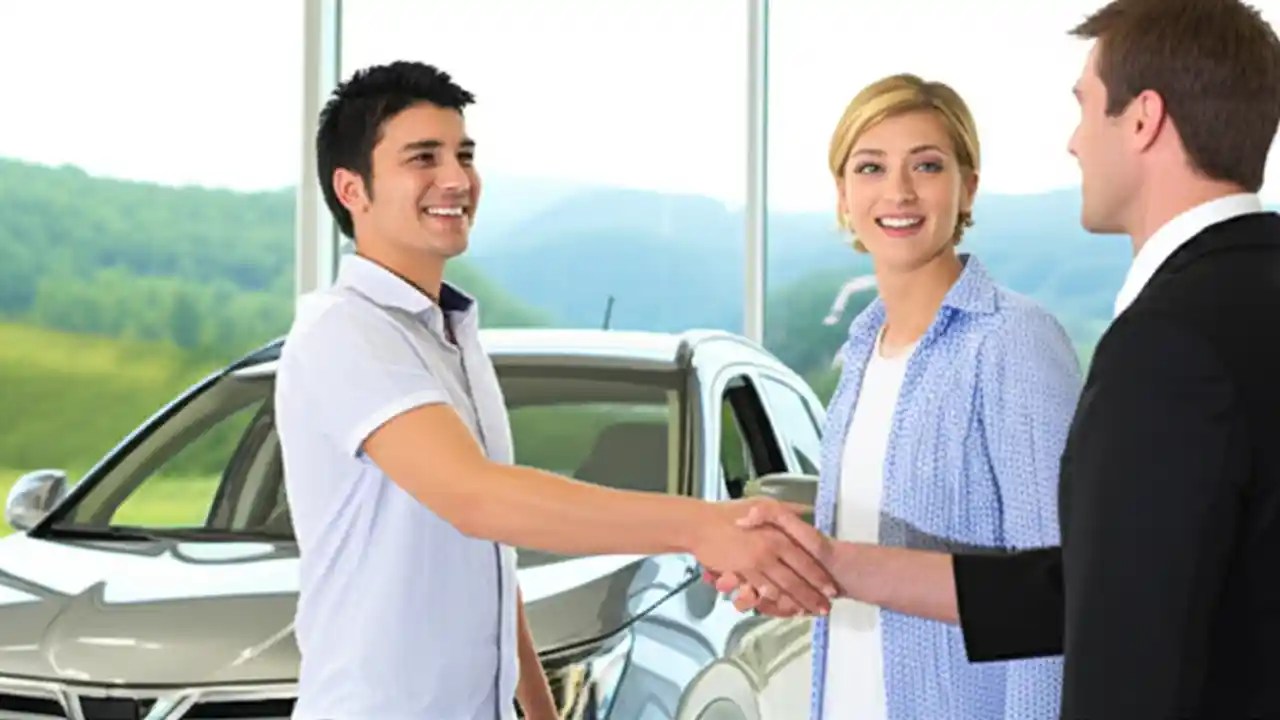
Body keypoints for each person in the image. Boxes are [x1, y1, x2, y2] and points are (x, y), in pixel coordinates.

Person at [722, 0, 1280, 718]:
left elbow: (1084, 618)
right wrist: (824, 562)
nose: (1074, 142)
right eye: (869, 167)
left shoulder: (1139, 341)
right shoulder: (859, 350)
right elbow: (1075, 588)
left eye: (1085, 107)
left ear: (1142, 120)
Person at [274, 61, 838, 720]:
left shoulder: (450, 337)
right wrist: (700, 524)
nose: (456, 179)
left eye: (464, 154)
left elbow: (487, 554)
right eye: (422, 158)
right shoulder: (345, 330)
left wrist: (538, 711)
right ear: (352, 190)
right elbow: (478, 500)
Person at [772, 73, 1084, 720]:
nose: (899, 191)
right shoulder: (861, 350)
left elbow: (1058, 595)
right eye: (871, 167)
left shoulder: (1013, 342)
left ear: (968, 185)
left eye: (927, 165)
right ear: (842, 195)